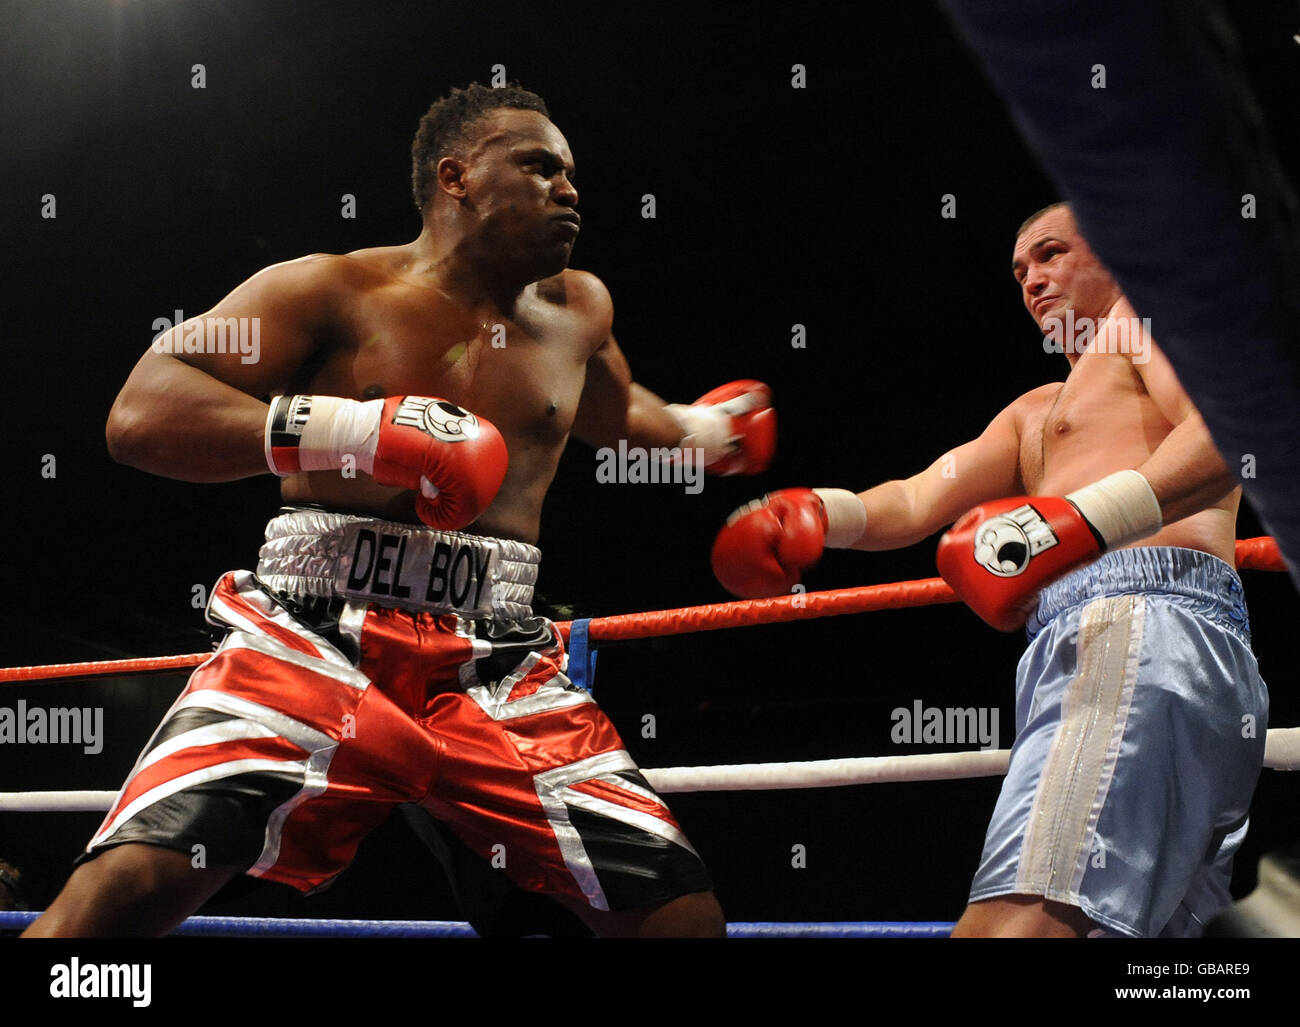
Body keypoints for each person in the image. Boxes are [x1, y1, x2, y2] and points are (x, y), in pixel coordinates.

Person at [25, 83, 777, 939]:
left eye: (571, 174)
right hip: (313, 634)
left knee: (679, 916)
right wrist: (353, 430)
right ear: (455, 177)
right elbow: (142, 412)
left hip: (495, 657)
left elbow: (613, 413)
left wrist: (711, 430)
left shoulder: (579, 309)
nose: (569, 190)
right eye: (539, 167)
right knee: (121, 897)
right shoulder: (330, 289)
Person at [711, 203, 1268, 938]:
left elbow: (1229, 428)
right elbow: (914, 499)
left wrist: (1084, 518)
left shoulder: (1143, 321)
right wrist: (815, 511)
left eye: (1051, 253)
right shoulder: (1034, 411)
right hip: (1118, 650)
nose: (1033, 279)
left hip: (1140, 623)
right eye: (1020, 270)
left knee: (1015, 921)